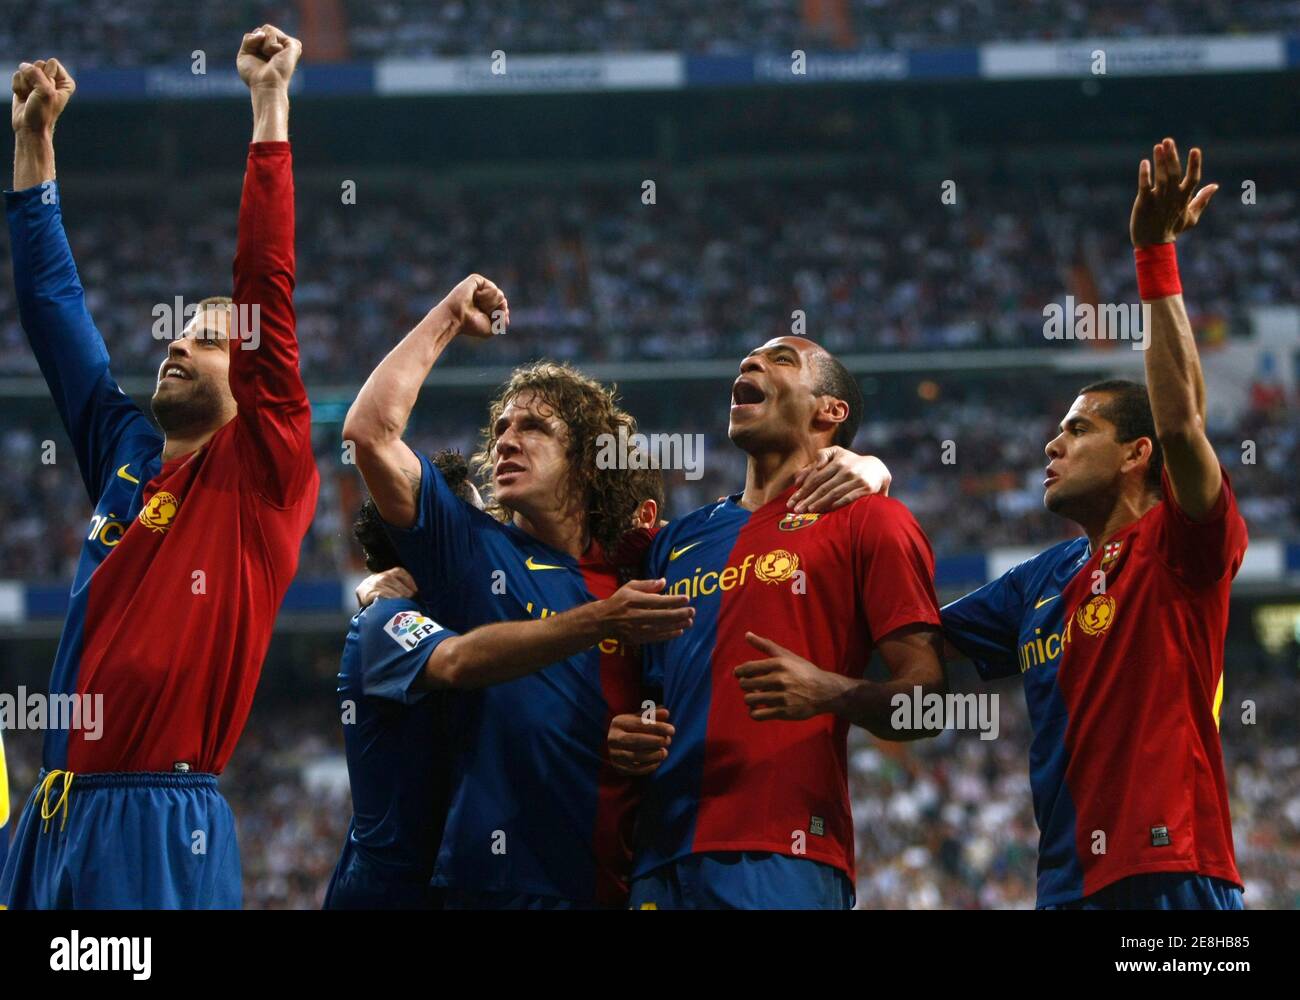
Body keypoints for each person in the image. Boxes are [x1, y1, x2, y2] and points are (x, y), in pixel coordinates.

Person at [344, 281, 890, 907]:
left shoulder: (646, 563)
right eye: (500, 427)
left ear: (587, 459)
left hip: (618, 887)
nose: (505, 442)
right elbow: (370, 435)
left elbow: (685, 656)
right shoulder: (472, 549)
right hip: (489, 883)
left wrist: (867, 467)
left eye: (533, 427)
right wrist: (446, 318)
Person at [0, 26, 318, 909]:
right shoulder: (128, 455)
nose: (179, 340)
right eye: (180, 332)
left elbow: (265, 285)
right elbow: (55, 314)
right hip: (52, 812)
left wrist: (267, 104)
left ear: (248, 376)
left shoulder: (264, 473)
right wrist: (33, 143)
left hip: (156, 821)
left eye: (208, 339)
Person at [939, 138, 1246, 910]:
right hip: (1067, 890)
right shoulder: (1038, 585)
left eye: (1077, 430)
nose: (1052, 442)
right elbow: (911, 634)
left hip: (1173, 875)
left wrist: (1153, 254)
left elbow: (1184, 425)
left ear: (1136, 454)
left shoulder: (1182, 546)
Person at [609, 336, 947, 909]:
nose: (751, 363)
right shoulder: (675, 541)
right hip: (656, 856)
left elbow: (928, 701)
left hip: (782, 852)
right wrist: (622, 730)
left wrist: (831, 691)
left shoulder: (872, 522)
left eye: (781, 359)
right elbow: (639, 679)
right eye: (748, 360)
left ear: (829, 411)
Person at [325, 452, 686, 909]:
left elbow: (526, 702)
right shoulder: (388, 622)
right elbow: (460, 661)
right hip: (389, 891)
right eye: (476, 528)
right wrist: (601, 619)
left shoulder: (470, 620)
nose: (495, 542)